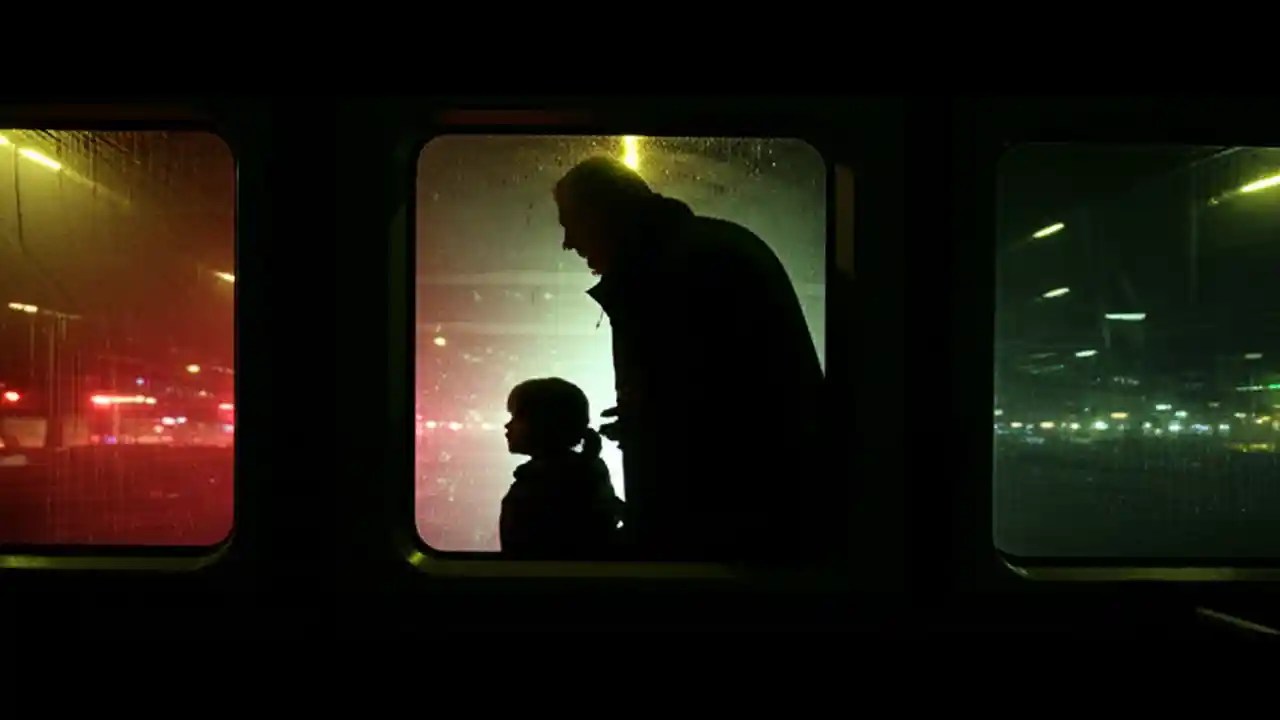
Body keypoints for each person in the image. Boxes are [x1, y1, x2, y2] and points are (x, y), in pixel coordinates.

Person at [553, 156, 828, 563]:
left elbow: (719, 425)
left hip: (728, 539)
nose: (568, 242)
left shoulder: (673, 273)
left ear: (602, 213)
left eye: (570, 223)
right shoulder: (709, 252)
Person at [498, 377, 622, 559]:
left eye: (516, 417)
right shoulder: (584, 472)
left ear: (542, 423)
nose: (507, 426)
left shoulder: (542, 486)